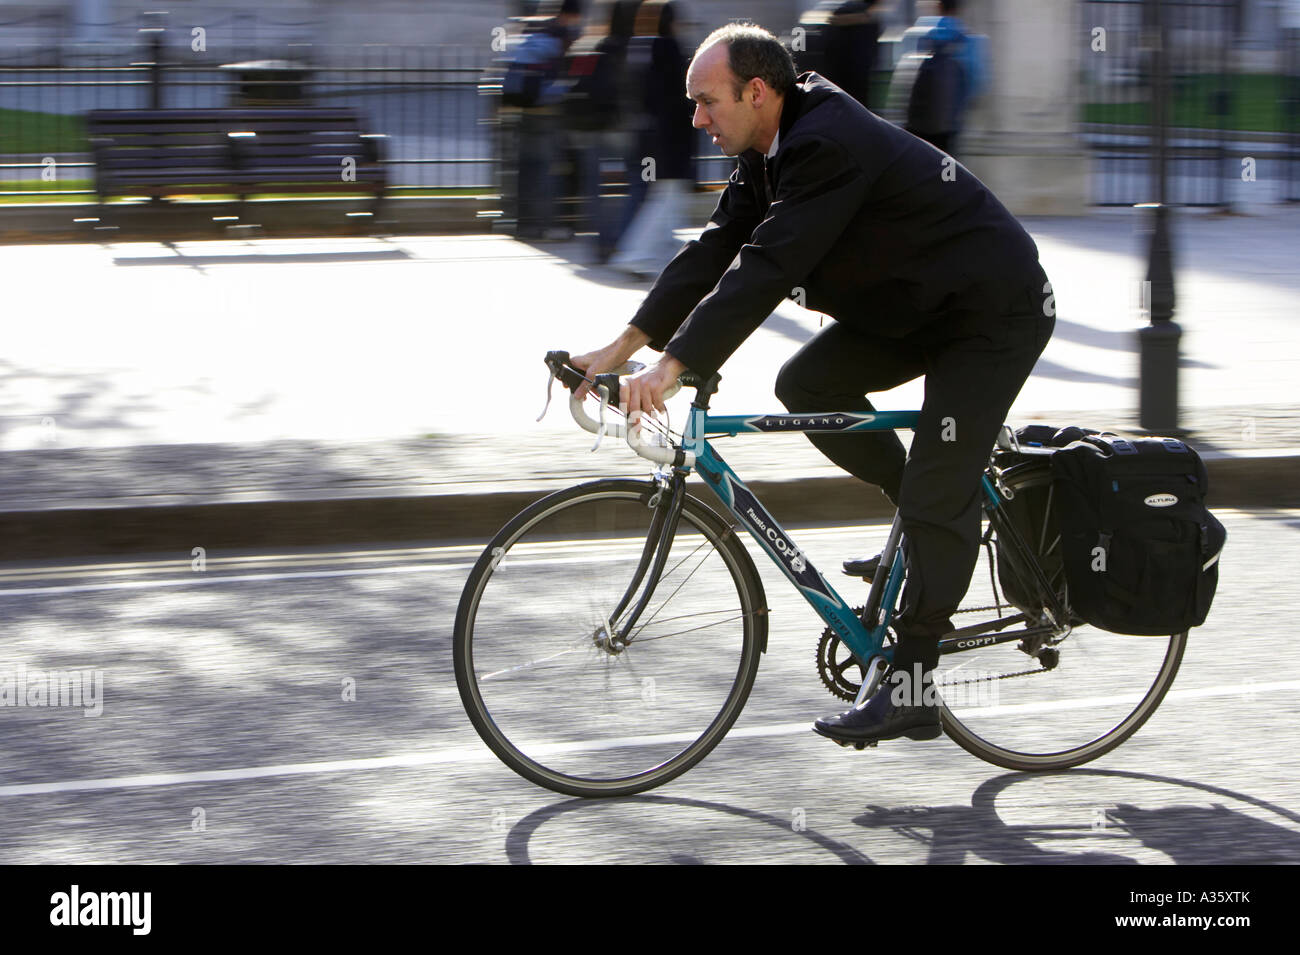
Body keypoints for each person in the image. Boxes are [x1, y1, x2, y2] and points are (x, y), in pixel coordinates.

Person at [570, 22, 1054, 747]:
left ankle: (912, 684)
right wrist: (621, 347)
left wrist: (673, 369)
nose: (696, 118)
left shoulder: (825, 142)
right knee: (809, 382)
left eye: (706, 102)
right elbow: (715, 251)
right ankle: (926, 527)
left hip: (991, 312)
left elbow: (768, 265)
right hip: (918, 306)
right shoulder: (769, 145)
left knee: (938, 477)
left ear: (757, 91)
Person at [607, 0, 695, 278]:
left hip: (648, 137)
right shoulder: (670, 49)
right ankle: (637, 254)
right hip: (670, 140)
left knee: (663, 200)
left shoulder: (640, 48)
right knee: (664, 201)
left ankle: (655, 255)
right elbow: (681, 97)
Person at [896, 0, 987, 155]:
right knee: (947, 167)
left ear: (937, 6)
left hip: (916, 120)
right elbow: (976, 82)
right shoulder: (969, 39)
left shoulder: (917, 33)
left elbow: (901, 75)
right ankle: (947, 178)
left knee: (918, 164)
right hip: (949, 122)